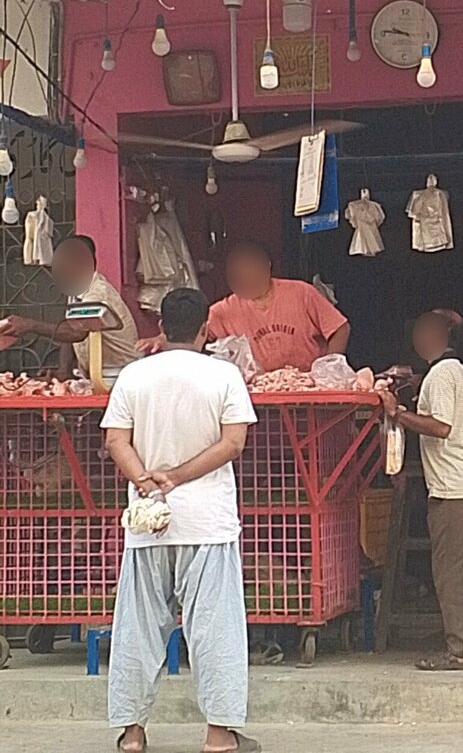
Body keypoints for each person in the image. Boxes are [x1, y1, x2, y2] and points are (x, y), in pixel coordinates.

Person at [101, 288, 260, 753]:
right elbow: (233, 445)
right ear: (206, 328)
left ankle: (132, 733)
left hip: (147, 522)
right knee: (215, 627)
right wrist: (178, 476)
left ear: (161, 328)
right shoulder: (224, 375)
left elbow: (115, 441)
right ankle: (218, 734)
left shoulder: (134, 376)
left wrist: (147, 481)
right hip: (207, 522)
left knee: (137, 625)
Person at [381, 309, 463, 671]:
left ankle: (461, 650)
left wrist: (397, 412)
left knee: (452, 574)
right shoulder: (459, 372)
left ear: (433, 337)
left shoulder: (442, 375)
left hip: (453, 487)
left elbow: (441, 427)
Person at [140, 240, 350, 373]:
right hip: (260, 393)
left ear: (266, 266)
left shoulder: (301, 293)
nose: (245, 280)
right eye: (238, 276)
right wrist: (162, 338)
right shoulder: (225, 309)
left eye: (250, 273)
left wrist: (325, 369)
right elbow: (192, 329)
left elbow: (340, 328)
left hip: (309, 389)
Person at [0, 235, 138, 382]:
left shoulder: (97, 292)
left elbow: (76, 333)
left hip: (118, 373)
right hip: (95, 373)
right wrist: (63, 371)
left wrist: (30, 325)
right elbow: (70, 328)